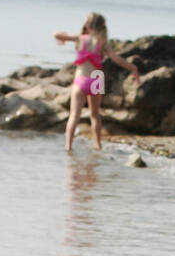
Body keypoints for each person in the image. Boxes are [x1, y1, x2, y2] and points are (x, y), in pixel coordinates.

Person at [54, 12, 140, 153]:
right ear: (102, 26)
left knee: (74, 115)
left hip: (80, 80)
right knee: (95, 115)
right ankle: (97, 145)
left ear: (87, 25)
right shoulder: (102, 42)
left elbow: (56, 35)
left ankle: (68, 146)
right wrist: (132, 68)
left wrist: (63, 35)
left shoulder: (80, 38)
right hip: (96, 79)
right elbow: (117, 60)